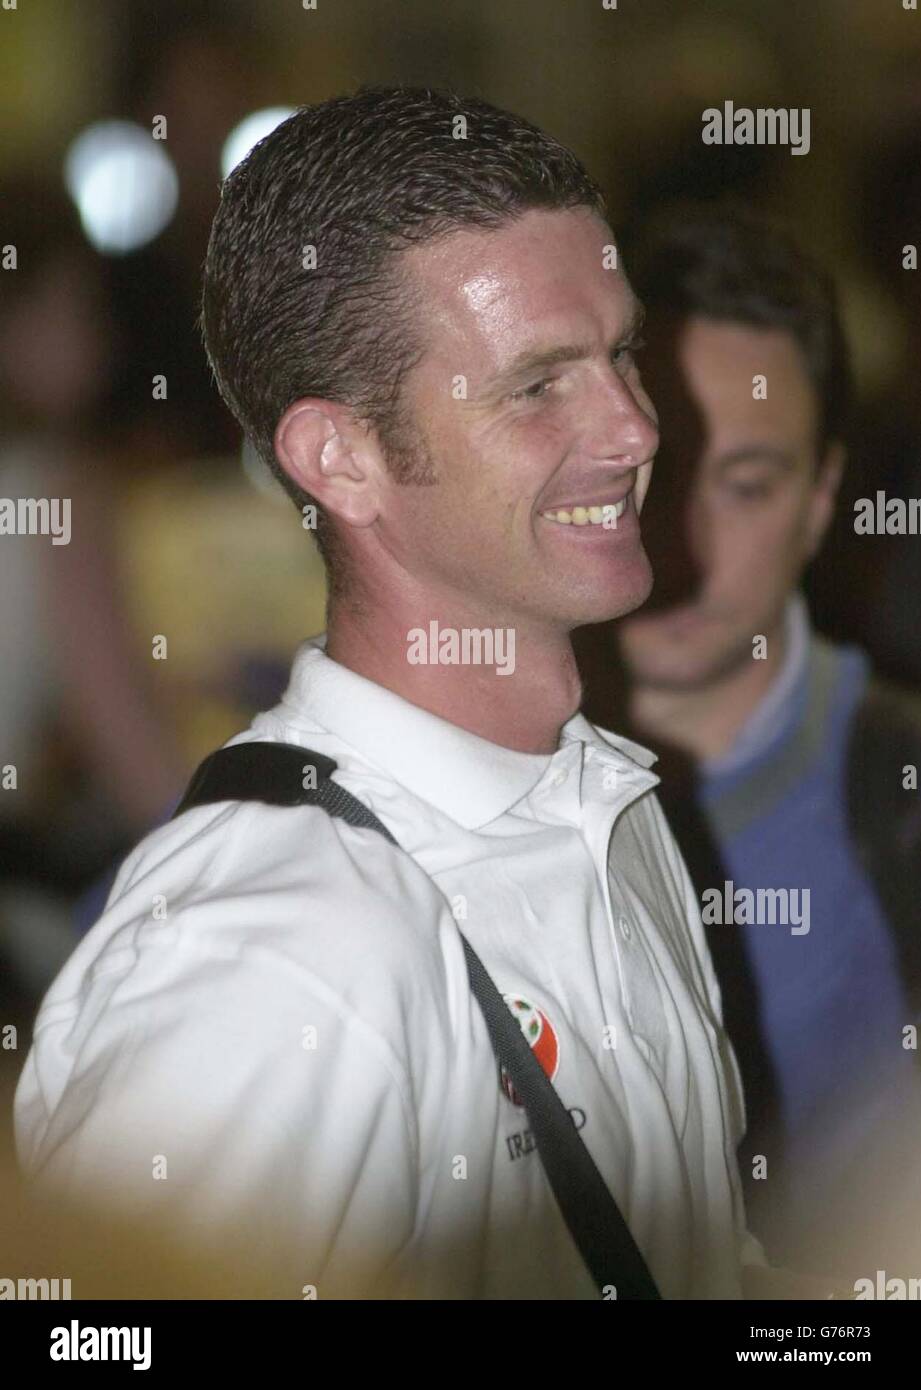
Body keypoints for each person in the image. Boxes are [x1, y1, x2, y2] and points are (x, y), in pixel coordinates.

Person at [17, 88, 794, 1300]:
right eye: (539, 385)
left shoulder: (605, 808)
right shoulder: (274, 951)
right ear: (341, 458)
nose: (637, 426)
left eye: (622, 351)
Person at [585, 204, 921, 1281]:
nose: (687, 538)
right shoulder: (449, 775)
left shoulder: (899, 800)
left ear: (823, 500)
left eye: (747, 484)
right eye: (658, 471)